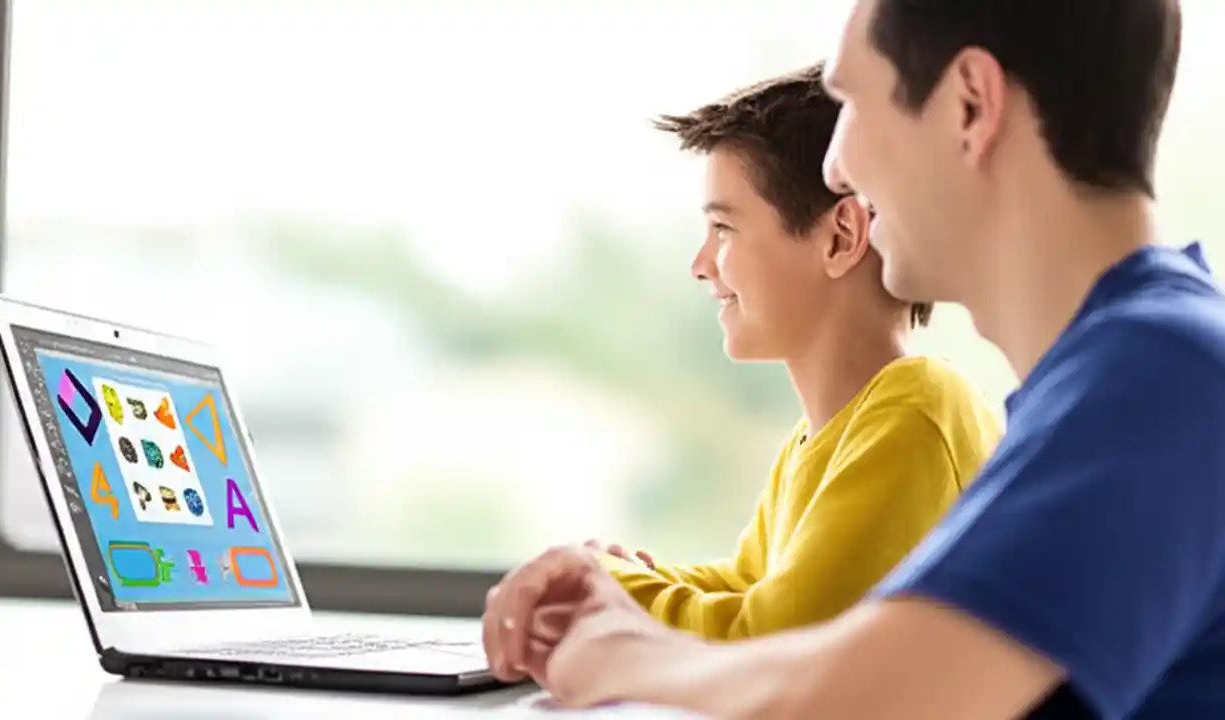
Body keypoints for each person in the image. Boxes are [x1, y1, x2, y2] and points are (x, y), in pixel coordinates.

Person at [482, 0, 1225, 717]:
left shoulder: (1161, 377)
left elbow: (860, 699)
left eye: (856, 104)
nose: (838, 169)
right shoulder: (1127, 378)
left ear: (969, 106)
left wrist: (619, 650)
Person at [586, 63, 1001, 641]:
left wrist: (612, 591)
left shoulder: (916, 411)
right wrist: (617, 577)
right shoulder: (824, 437)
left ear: (841, 237)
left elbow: (779, 633)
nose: (701, 265)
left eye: (724, 229)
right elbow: (751, 585)